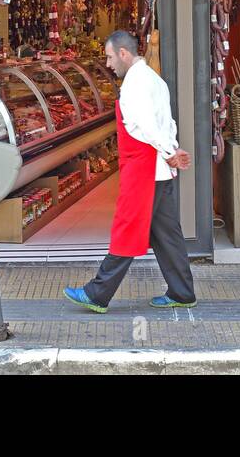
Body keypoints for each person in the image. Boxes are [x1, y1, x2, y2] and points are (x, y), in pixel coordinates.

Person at [64, 31, 197, 312]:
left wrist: (170, 152)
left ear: (124, 53)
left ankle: (97, 294)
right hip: (159, 170)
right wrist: (171, 150)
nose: (109, 64)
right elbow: (167, 123)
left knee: (127, 227)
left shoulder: (134, 85)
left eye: (111, 57)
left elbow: (148, 126)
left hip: (143, 170)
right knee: (168, 235)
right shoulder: (155, 80)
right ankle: (182, 293)